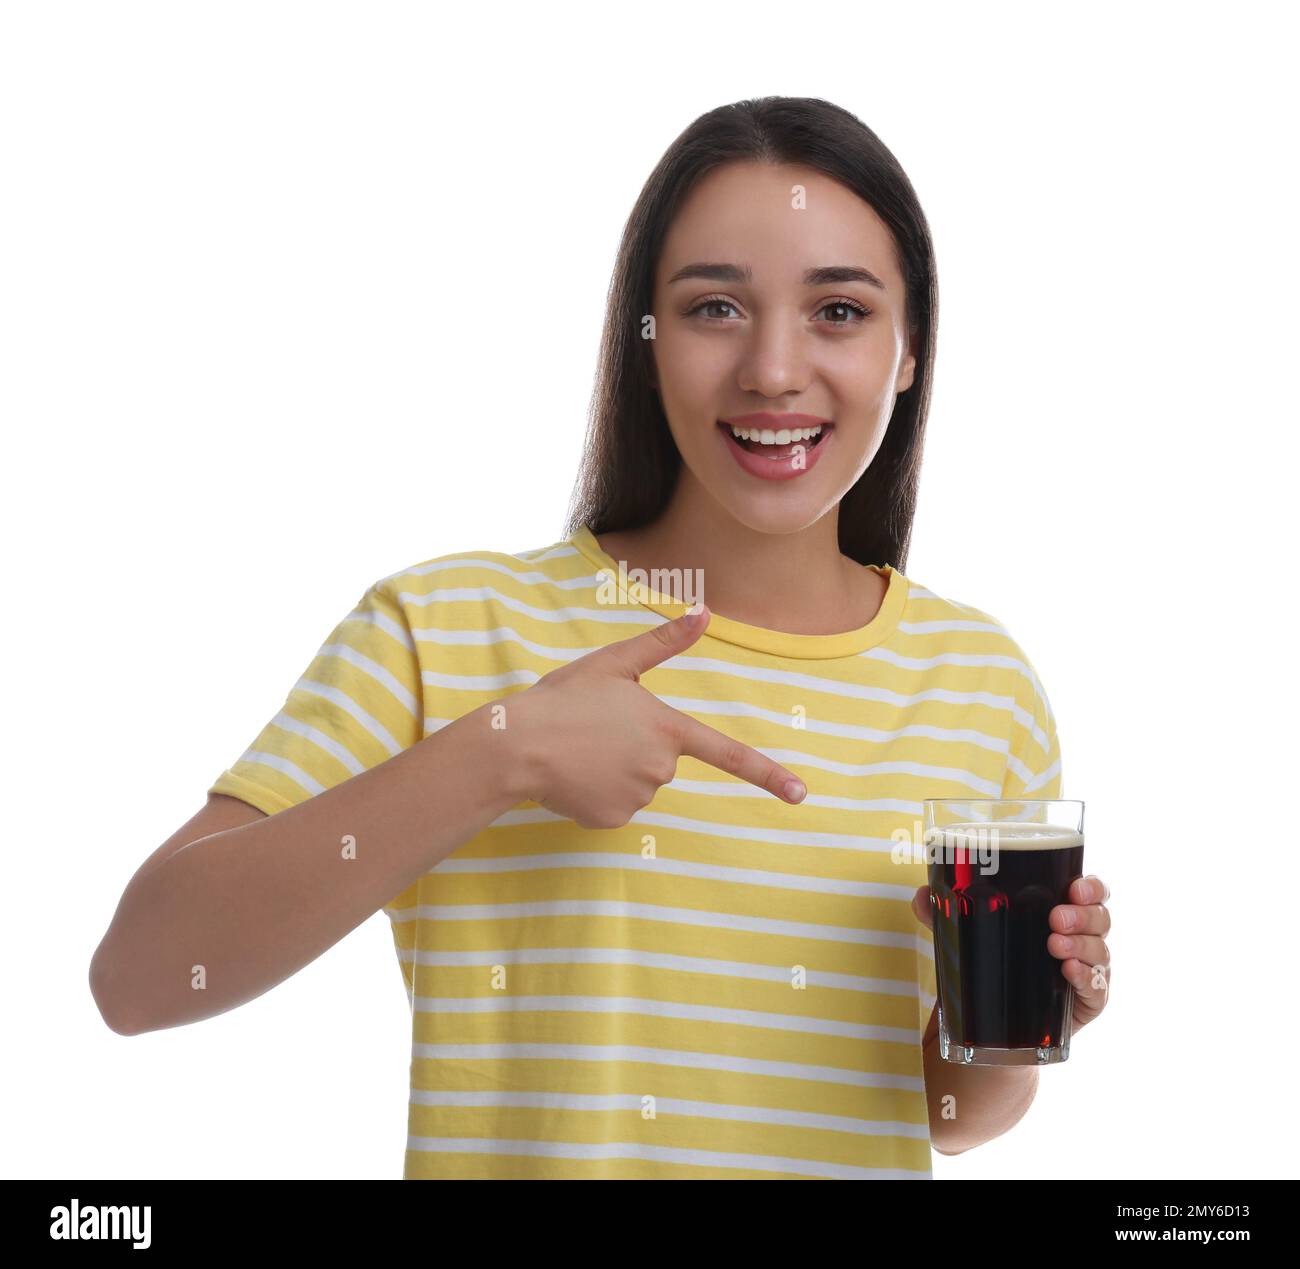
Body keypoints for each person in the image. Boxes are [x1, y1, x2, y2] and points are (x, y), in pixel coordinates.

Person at [89, 96, 1112, 1179]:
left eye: (839, 313)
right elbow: (144, 978)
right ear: (646, 339)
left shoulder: (980, 683)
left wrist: (1016, 1025)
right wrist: (504, 752)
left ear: (911, 353)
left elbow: (942, 1115)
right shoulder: (449, 628)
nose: (771, 369)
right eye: (714, 307)